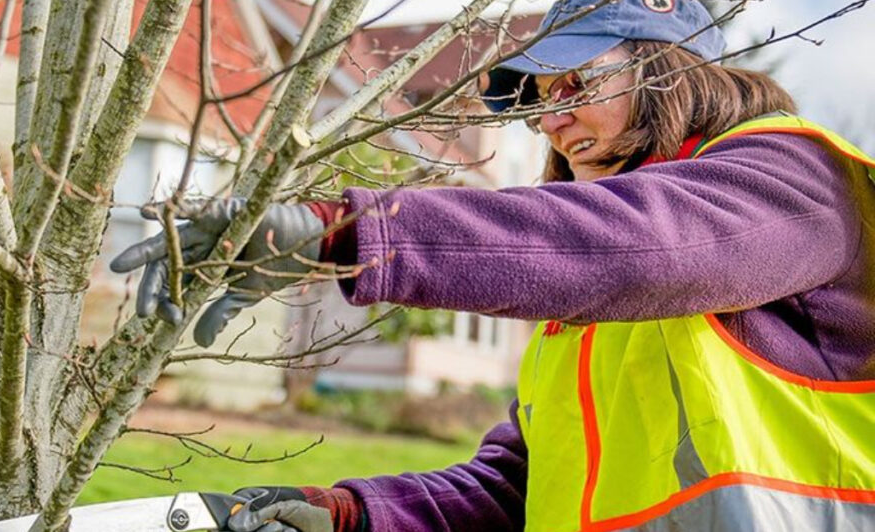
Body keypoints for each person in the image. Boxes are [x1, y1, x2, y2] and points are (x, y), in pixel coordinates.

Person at [111, 0, 875, 530]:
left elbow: (627, 243)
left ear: (673, 71)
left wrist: (338, 231)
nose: (552, 117)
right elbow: (516, 491)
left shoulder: (797, 180)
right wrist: (349, 514)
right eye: (540, 99)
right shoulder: (583, 307)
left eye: (575, 84)